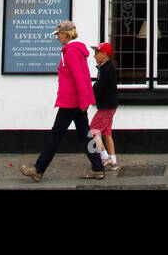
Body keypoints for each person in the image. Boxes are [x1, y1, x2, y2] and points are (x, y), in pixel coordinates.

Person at [20, 20, 107, 181]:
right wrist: (84, 101)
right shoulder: (75, 50)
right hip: (76, 101)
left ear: (65, 34)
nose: (57, 37)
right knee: (85, 135)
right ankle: (98, 168)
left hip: (71, 102)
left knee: (56, 135)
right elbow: (83, 77)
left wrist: (82, 102)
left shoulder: (71, 52)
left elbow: (79, 79)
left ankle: (38, 170)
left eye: (58, 34)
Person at [89, 42, 121, 171]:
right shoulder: (106, 67)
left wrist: (89, 98)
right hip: (110, 105)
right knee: (107, 133)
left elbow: (98, 87)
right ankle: (113, 161)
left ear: (104, 55)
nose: (94, 56)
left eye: (96, 53)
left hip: (106, 106)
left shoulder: (106, 69)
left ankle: (105, 157)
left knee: (93, 130)